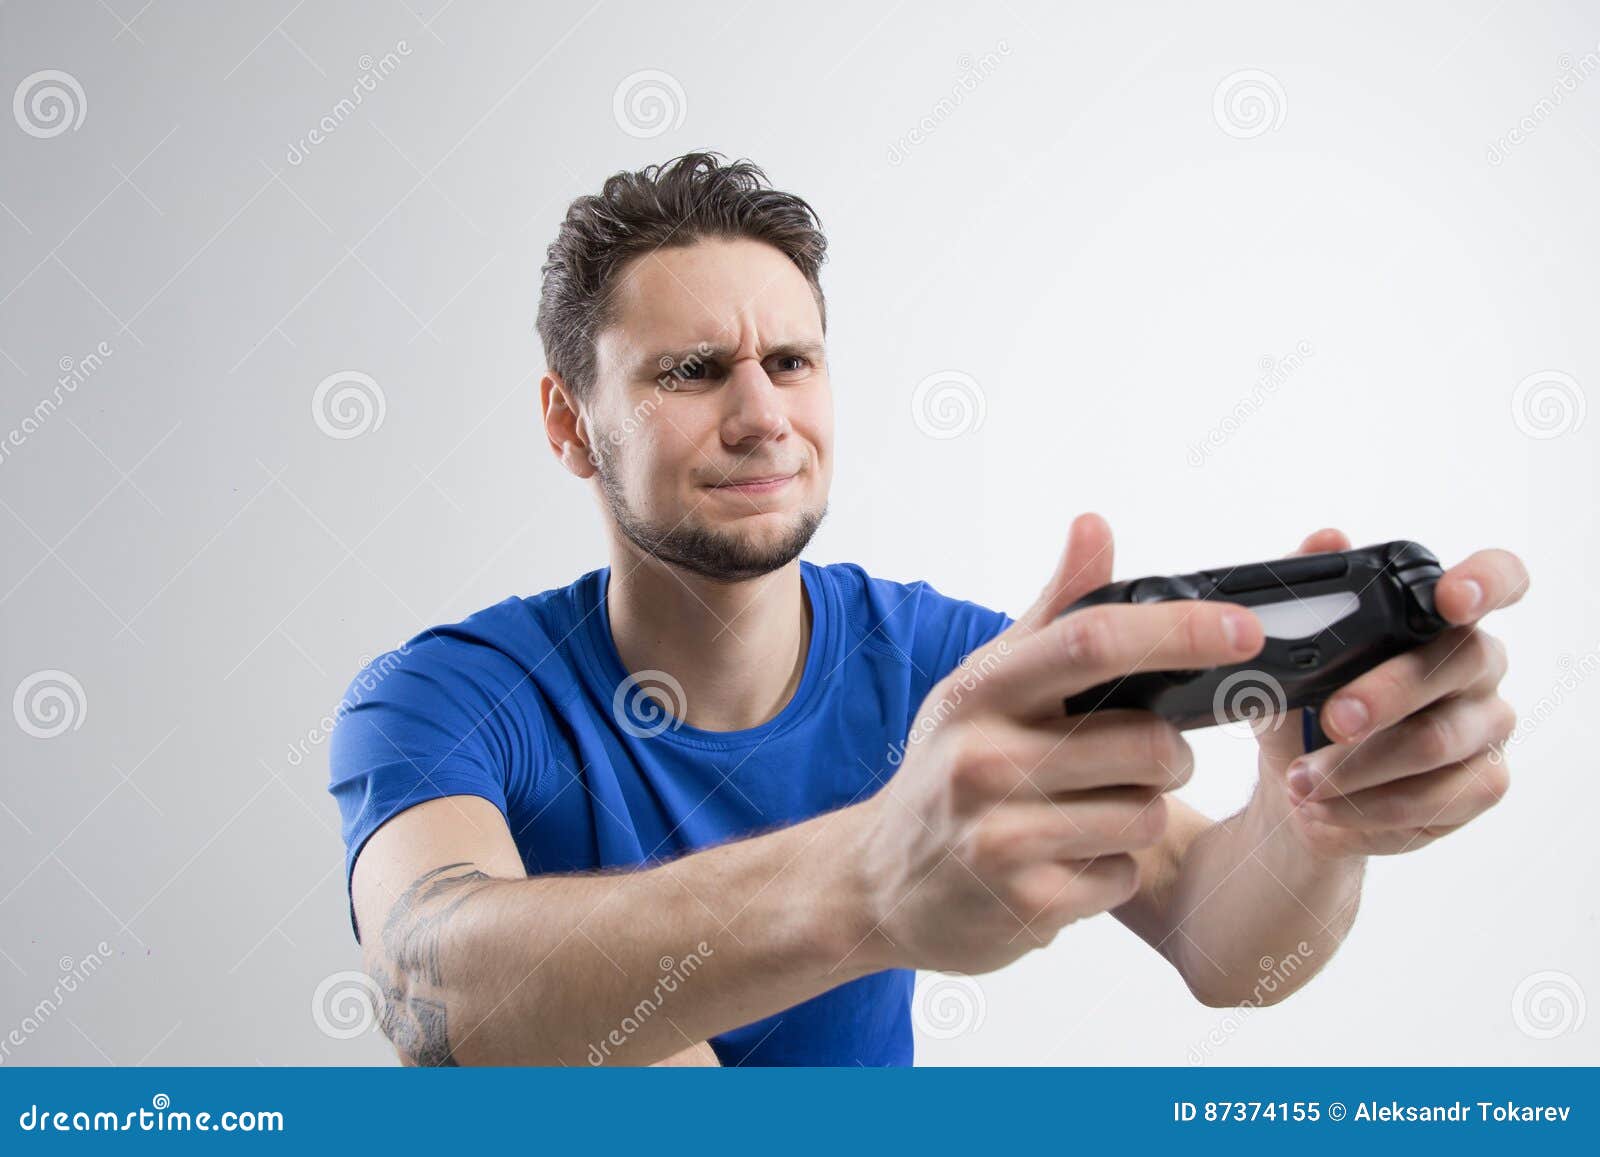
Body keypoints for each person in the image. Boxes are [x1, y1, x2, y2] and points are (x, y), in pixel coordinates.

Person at [328, 152, 1527, 1067]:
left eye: (791, 362)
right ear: (566, 420)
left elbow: (1225, 947)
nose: (762, 417)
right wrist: (868, 879)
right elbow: (431, 983)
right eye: (691, 371)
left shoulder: (946, 667)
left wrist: (1309, 820)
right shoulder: (448, 694)